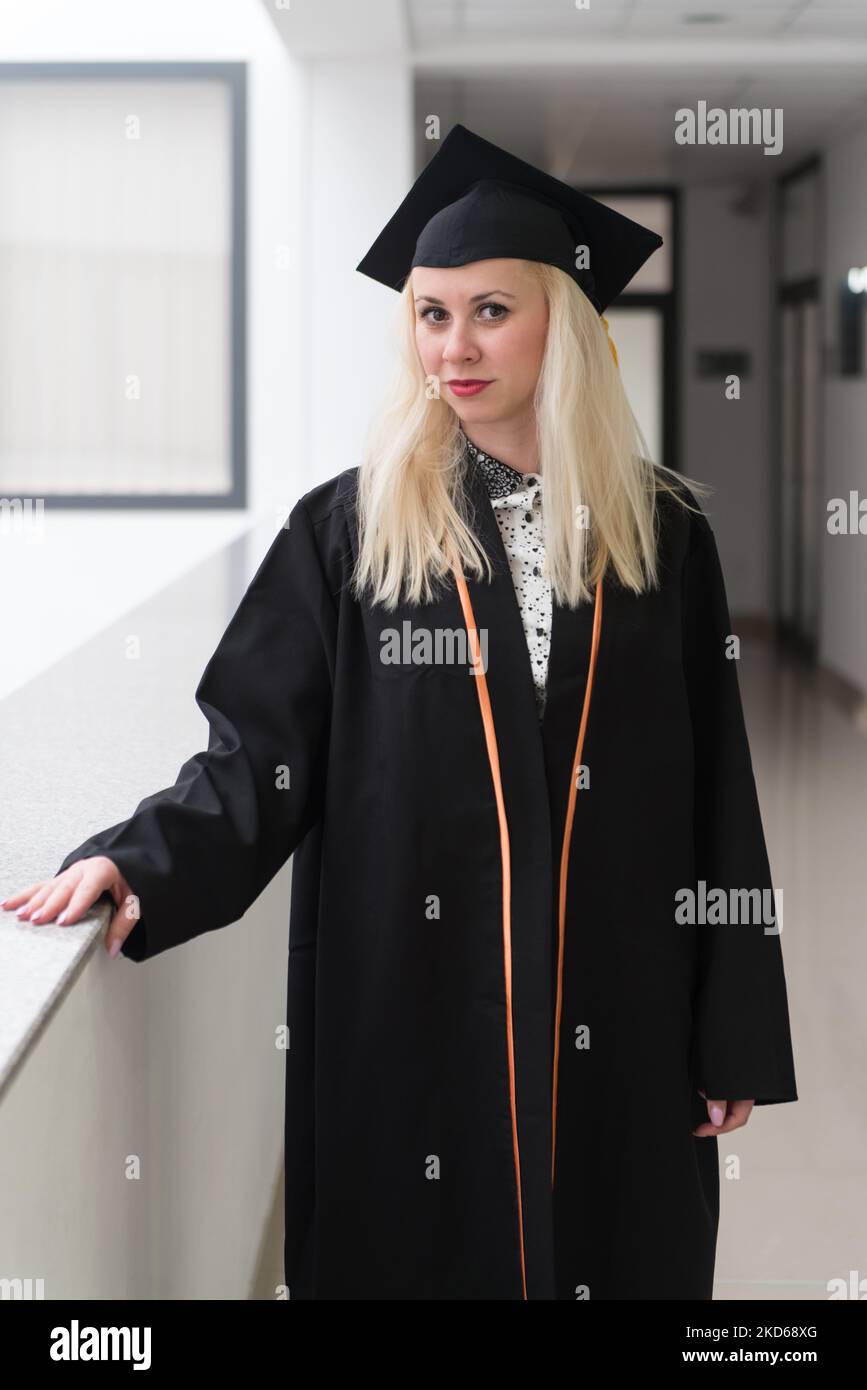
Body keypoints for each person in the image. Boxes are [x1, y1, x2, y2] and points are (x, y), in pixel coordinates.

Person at [2, 123, 798, 1300]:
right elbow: (261, 753)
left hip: (616, 998)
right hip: (416, 993)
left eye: (489, 311)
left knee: (619, 1251)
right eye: (431, 314)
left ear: (562, 326)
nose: (455, 347)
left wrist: (729, 1019)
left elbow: (717, 785)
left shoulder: (661, 534)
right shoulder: (353, 531)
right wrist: (141, 860)